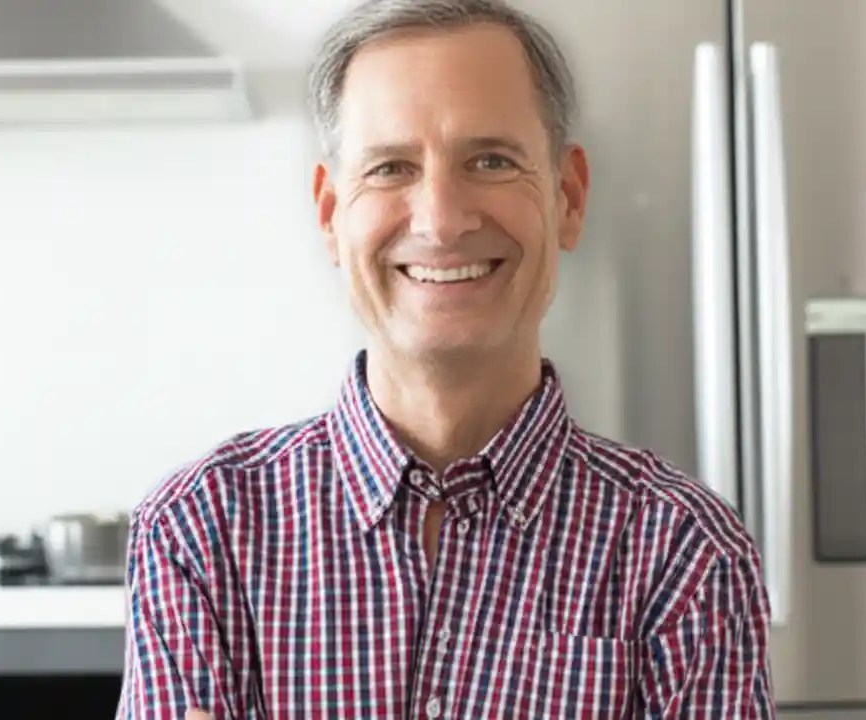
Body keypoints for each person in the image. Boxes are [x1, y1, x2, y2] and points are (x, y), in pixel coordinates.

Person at [117, 0, 775, 717]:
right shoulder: (200, 532)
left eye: (490, 161)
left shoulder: (685, 553)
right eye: (391, 167)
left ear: (569, 197)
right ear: (331, 214)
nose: (440, 219)